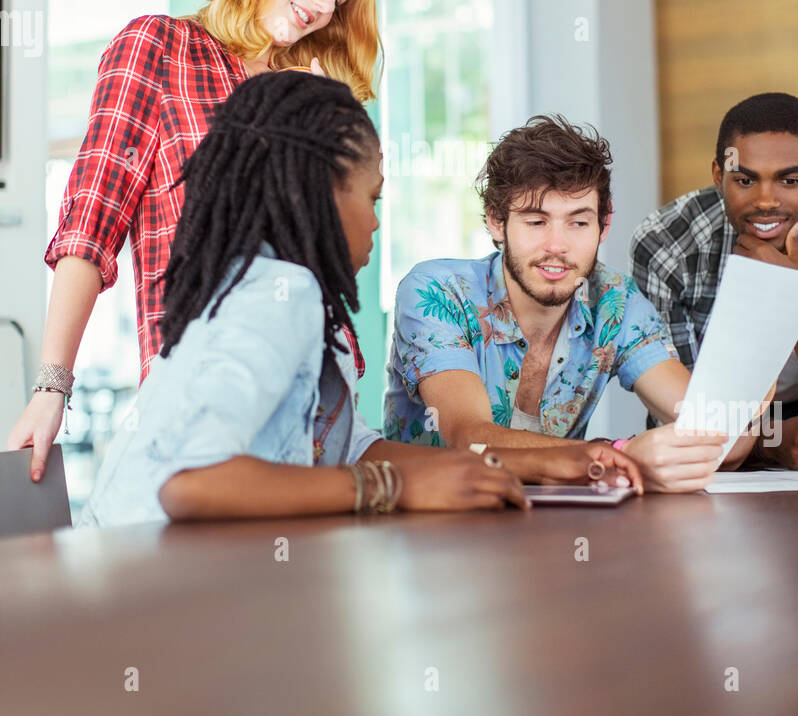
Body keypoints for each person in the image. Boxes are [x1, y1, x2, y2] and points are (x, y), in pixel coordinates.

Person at [79, 74, 639, 525]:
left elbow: (352, 450)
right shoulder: (277, 294)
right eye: (371, 198)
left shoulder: (303, 302)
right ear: (316, 196)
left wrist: (543, 460)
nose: (375, 222)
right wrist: (394, 488)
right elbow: (189, 484)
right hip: (143, 586)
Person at [9, 0, 380, 482]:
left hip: (321, 389)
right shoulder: (161, 47)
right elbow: (93, 217)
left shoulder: (307, 93)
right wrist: (52, 385)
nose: (321, 4)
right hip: (203, 386)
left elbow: (337, 248)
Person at [385, 115, 745, 493]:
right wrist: (616, 454)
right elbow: (470, 437)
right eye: (536, 221)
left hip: (555, 528)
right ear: (495, 221)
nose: (557, 246)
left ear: (603, 226)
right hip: (433, 529)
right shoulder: (437, 292)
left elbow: (718, 435)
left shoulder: (614, 300)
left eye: (578, 223)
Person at [629, 92, 798, 471]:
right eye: (745, 180)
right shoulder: (667, 246)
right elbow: (688, 425)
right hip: (730, 441)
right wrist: (770, 442)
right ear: (719, 177)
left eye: (789, 180)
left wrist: (791, 296)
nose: (766, 200)